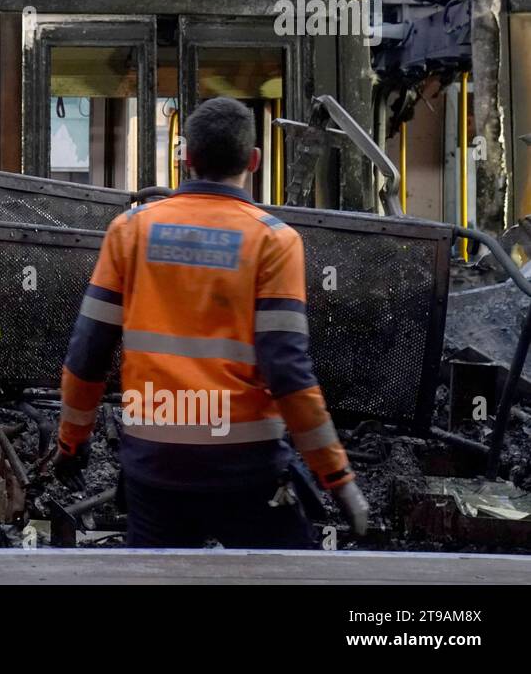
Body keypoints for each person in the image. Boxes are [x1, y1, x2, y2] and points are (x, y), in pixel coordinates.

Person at [54, 97, 369, 548]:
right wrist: (337, 478)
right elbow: (288, 373)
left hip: (153, 462)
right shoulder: (274, 241)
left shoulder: (131, 230)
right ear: (254, 161)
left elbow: (87, 354)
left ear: (185, 158)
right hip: (245, 466)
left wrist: (72, 443)